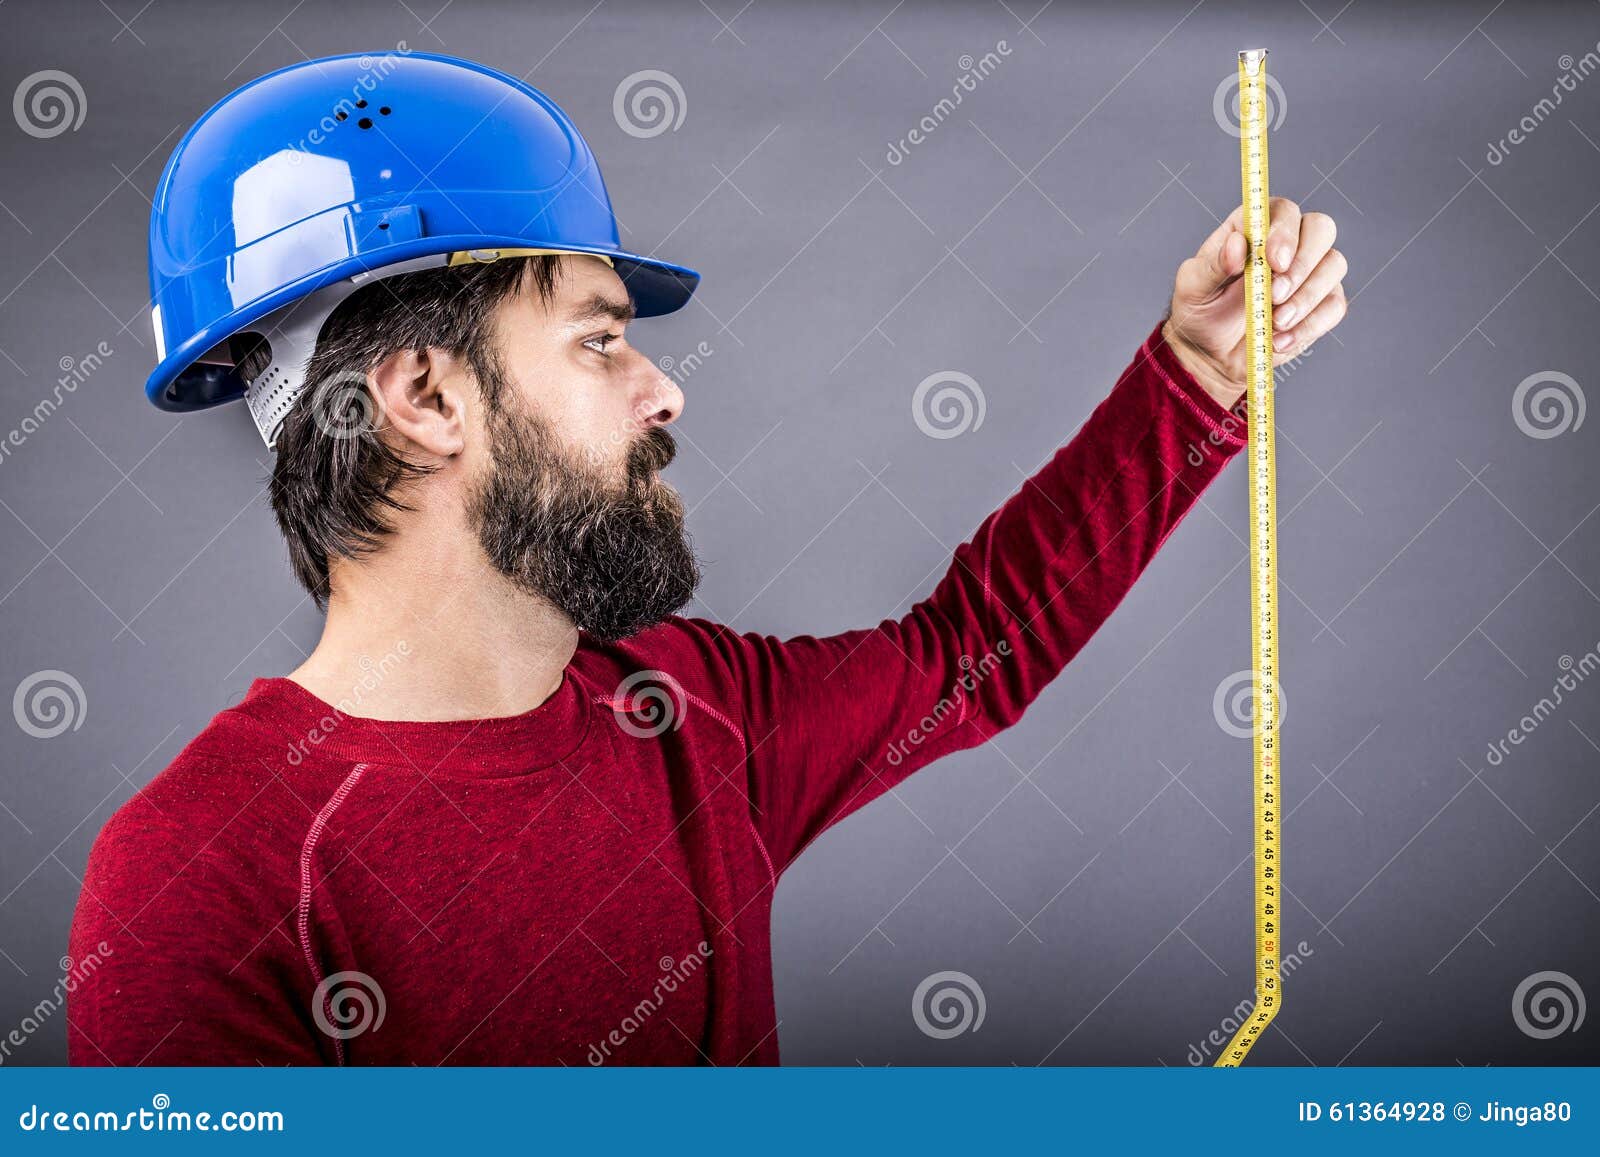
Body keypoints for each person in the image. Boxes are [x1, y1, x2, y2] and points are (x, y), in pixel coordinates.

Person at [68, 52, 1346, 1065]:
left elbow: (973, 650)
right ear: (422, 395)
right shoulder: (198, 879)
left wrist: (1193, 382)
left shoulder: (687, 714)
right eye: (596, 339)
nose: (663, 388)